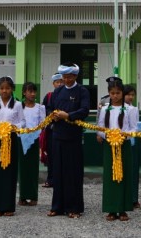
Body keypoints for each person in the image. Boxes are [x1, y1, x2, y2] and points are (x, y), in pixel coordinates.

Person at [46, 63, 90, 218]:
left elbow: (84, 110)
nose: (66, 79)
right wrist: (54, 115)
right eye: (64, 76)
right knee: (58, 172)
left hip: (73, 137)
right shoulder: (57, 91)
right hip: (57, 136)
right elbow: (49, 108)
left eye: (69, 76)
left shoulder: (82, 91)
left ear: (76, 76)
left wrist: (68, 116)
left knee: (72, 173)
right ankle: (57, 206)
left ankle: (74, 208)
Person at [0, 76, 24, 217]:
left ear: (12, 89)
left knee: (9, 172)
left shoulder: (18, 105)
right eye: (2, 88)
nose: (5, 91)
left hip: (11, 139)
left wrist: (13, 127)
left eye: (7, 88)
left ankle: (8, 206)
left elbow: (22, 122)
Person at [97, 76, 135, 221]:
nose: (115, 96)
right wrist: (108, 136)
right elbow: (100, 127)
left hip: (123, 145)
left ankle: (123, 209)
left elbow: (133, 129)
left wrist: (124, 136)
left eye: (118, 93)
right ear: (109, 93)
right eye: (112, 93)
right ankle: (111, 208)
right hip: (109, 146)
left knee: (124, 175)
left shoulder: (130, 110)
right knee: (110, 176)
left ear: (122, 93)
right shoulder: (105, 108)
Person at [19, 82, 45, 207]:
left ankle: (33, 196)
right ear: (24, 92)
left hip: (34, 140)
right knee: (22, 169)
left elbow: (43, 123)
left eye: (34, 91)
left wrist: (35, 132)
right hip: (21, 139)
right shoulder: (19, 106)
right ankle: (22, 196)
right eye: (30, 91)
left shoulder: (40, 108)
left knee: (33, 169)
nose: (33, 94)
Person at [41, 73, 63, 188]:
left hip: (64, 129)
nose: (59, 84)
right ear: (53, 83)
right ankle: (50, 179)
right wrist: (53, 116)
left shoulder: (67, 95)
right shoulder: (49, 96)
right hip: (51, 130)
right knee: (51, 155)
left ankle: (62, 180)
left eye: (61, 82)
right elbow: (45, 110)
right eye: (57, 82)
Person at [123, 85, 141, 208]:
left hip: (132, 141)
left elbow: (135, 125)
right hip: (119, 140)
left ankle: (134, 198)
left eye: (132, 95)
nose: (130, 97)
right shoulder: (116, 108)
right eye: (128, 94)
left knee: (133, 170)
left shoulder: (134, 109)